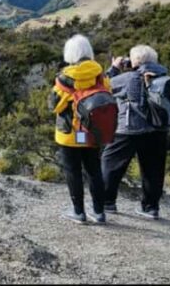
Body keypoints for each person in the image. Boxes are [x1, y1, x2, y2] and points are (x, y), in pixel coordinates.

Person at [102, 45, 169, 219]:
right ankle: (150, 208)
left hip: (129, 129)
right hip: (158, 130)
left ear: (134, 61)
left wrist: (115, 68)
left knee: (110, 164)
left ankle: (106, 202)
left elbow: (105, 86)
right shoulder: (164, 76)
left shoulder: (129, 77)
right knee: (153, 171)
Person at [49, 35, 108, 224]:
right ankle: (99, 212)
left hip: (70, 133)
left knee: (73, 171)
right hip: (91, 131)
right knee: (94, 169)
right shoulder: (100, 75)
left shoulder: (64, 78)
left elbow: (54, 106)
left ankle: (78, 212)